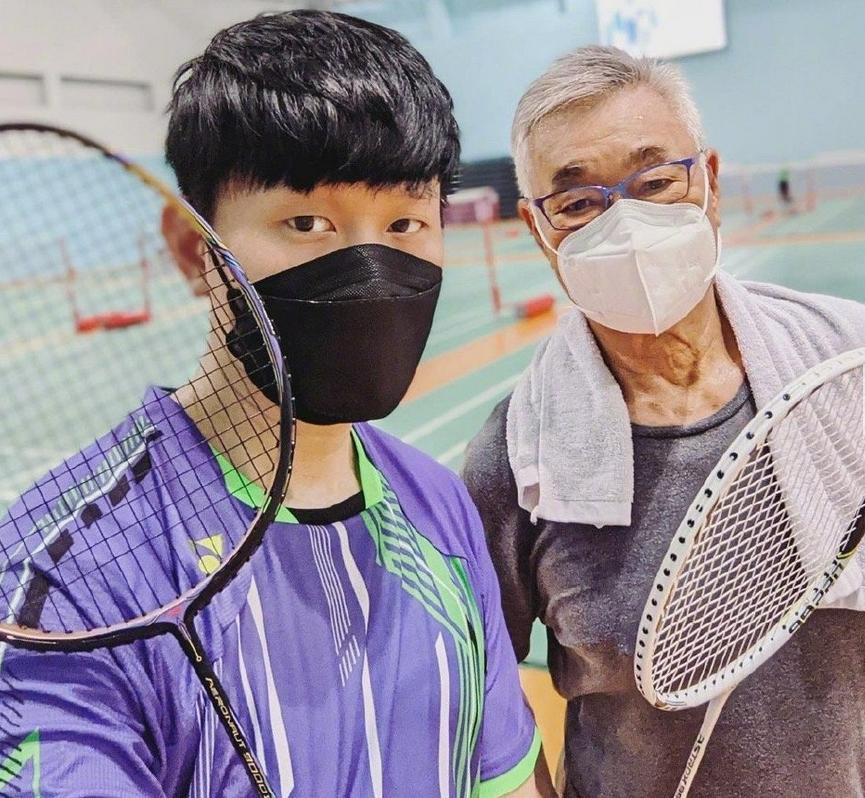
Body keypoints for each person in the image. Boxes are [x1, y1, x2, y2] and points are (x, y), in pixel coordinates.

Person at [0, 12, 554, 797]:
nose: (369, 268)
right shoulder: (63, 581)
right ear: (196, 252)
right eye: (306, 222)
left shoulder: (441, 509)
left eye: (405, 222)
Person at [463, 45, 865, 798]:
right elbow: (480, 696)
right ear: (537, 230)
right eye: (578, 202)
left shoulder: (847, 369)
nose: (626, 223)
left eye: (653, 181)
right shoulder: (513, 459)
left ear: (706, 182)